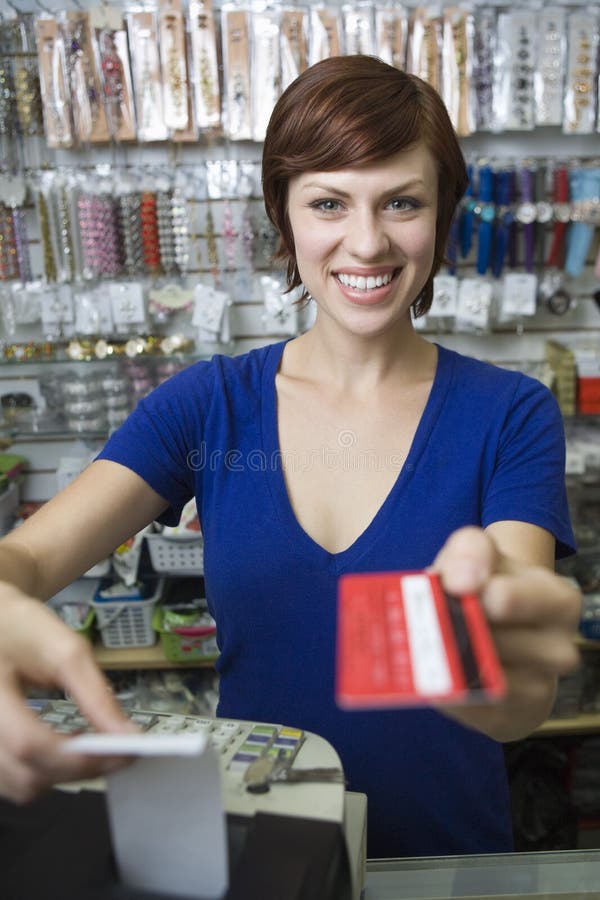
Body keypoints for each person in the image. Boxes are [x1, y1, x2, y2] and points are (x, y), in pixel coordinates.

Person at [0, 55, 581, 859]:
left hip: (446, 864)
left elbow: (515, 694)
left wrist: (507, 680)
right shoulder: (207, 406)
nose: (367, 241)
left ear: (442, 213)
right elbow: (29, 558)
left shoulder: (510, 414)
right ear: (285, 215)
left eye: (402, 202)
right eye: (329, 202)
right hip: (260, 856)